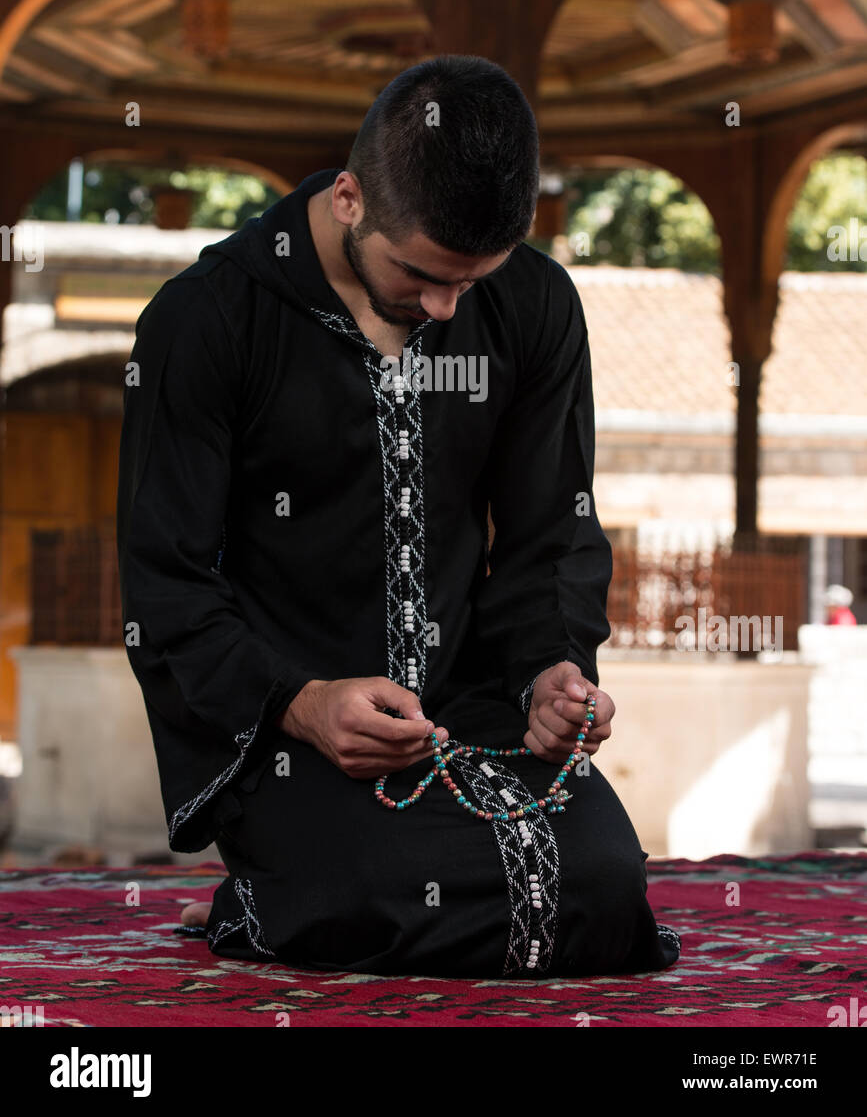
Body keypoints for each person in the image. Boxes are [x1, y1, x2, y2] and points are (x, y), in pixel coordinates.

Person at [116, 54, 680, 978]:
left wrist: (552, 672)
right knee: (362, 895)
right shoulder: (206, 322)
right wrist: (299, 703)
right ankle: (270, 886)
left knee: (605, 890)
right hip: (293, 728)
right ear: (348, 199)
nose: (447, 306)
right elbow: (165, 580)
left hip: (477, 710)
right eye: (419, 275)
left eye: (473, 280)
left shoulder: (534, 304)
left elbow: (552, 534)